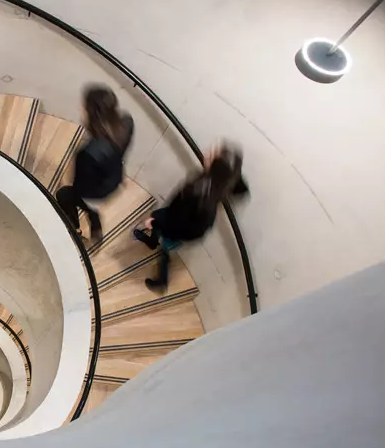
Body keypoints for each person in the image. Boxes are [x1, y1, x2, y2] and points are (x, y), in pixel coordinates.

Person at [133, 142, 248, 293]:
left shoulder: (196, 191)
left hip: (181, 227)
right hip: (192, 226)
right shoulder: (221, 185)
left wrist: (154, 222)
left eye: (212, 154)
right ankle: (152, 242)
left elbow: (174, 219)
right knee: (160, 224)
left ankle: (162, 280)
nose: (207, 154)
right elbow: (242, 190)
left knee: (165, 244)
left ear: (216, 166)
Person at [56, 85, 134, 243]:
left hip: (95, 192)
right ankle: (96, 229)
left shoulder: (88, 153)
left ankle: (74, 228)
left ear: (93, 113)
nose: (81, 108)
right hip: (114, 179)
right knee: (91, 207)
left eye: (84, 106)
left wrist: (72, 184)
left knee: (64, 194)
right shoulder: (126, 122)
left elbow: (81, 186)